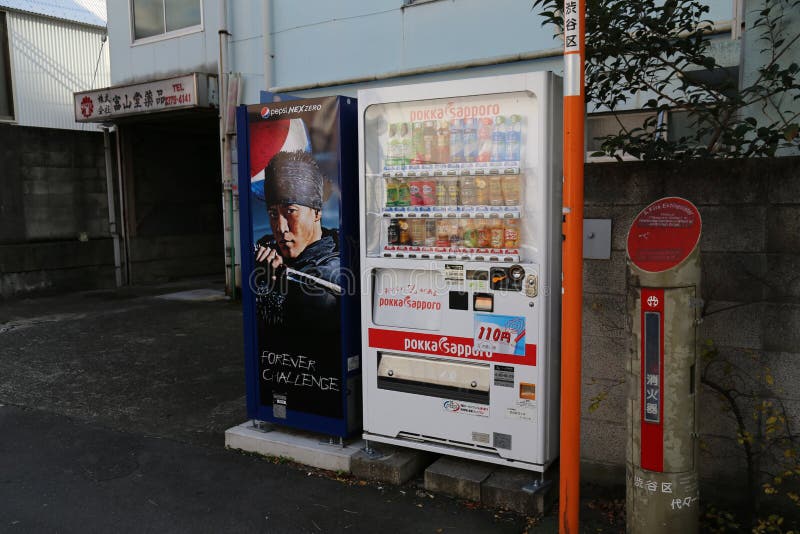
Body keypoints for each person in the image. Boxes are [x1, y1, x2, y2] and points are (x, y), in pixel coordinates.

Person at [252, 150, 342, 416]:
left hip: (321, 393)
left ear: (316, 213)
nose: (280, 226)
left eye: (290, 211)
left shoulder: (333, 267)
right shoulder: (267, 248)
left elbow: (305, 322)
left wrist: (272, 289)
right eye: (272, 213)